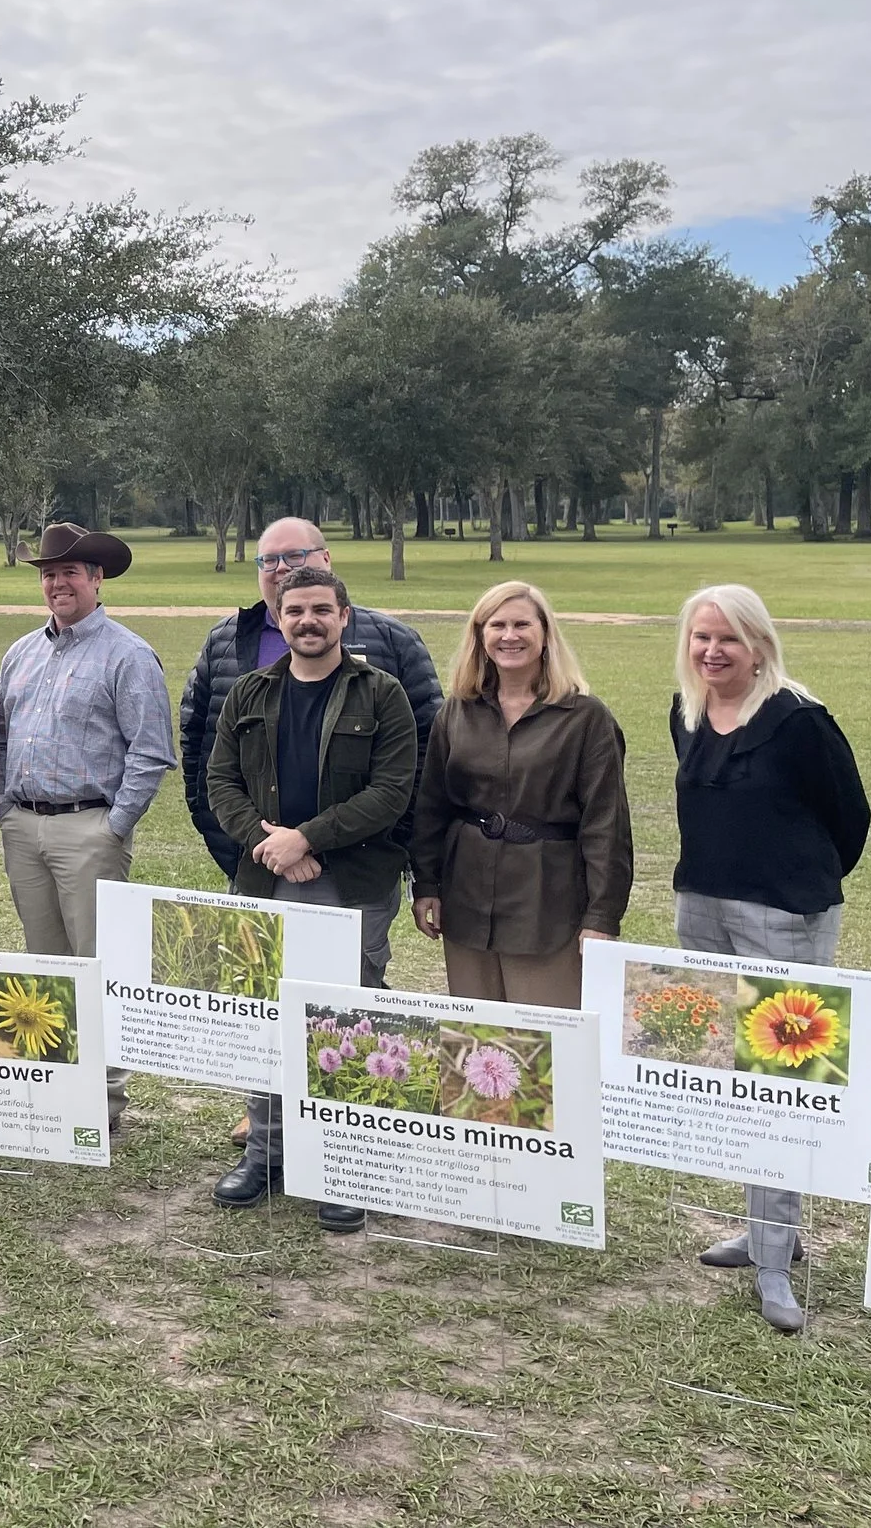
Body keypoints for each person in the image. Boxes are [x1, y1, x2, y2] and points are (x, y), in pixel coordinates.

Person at [669, 584, 870, 1335]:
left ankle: (776, 1262)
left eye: (728, 638)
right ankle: (766, 1229)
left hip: (785, 915)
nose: (713, 650)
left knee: (781, 1082)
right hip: (704, 909)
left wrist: (800, 885)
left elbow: (850, 819)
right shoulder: (686, 712)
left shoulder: (799, 721)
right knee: (733, 1078)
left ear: (758, 644)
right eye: (701, 637)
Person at [201, 566, 417, 1233]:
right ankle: (267, 1154)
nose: (308, 621)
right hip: (266, 882)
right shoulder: (251, 692)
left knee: (345, 1024)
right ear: (279, 615)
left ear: (344, 616)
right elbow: (220, 779)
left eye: (322, 609)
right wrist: (268, 845)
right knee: (265, 1020)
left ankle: (344, 1167)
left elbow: (392, 789)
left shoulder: (382, 695)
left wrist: (308, 837)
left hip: (351, 885)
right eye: (295, 610)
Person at [0, 523, 175, 1126]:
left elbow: (150, 752)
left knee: (97, 966)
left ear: (97, 579)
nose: (57, 582)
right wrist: (4, 806)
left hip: (90, 827)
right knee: (44, 961)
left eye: (70, 572)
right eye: (49, 573)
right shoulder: (21, 651)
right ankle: (56, 1086)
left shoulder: (128, 654)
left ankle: (105, 1099)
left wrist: (114, 827)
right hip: (25, 826)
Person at [178, 516, 442, 883]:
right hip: (255, 861)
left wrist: (398, 844)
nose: (281, 568)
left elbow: (424, 753)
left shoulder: (392, 641)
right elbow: (200, 749)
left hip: (358, 865)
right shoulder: (225, 641)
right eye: (268, 560)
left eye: (295, 556)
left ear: (327, 559)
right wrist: (255, 841)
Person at [410, 579, 630, 1009]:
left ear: (545, 635)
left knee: (547, 1043)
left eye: (522, 625)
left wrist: (602, 916)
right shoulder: (456, 712)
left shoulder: (585, 719)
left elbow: (606, 826)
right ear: (480, 635)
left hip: (547, 903)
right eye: (497, 625)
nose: (509, 636)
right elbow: (432, 806)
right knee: (478, 1036)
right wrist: (427, 884)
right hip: (467, 896)